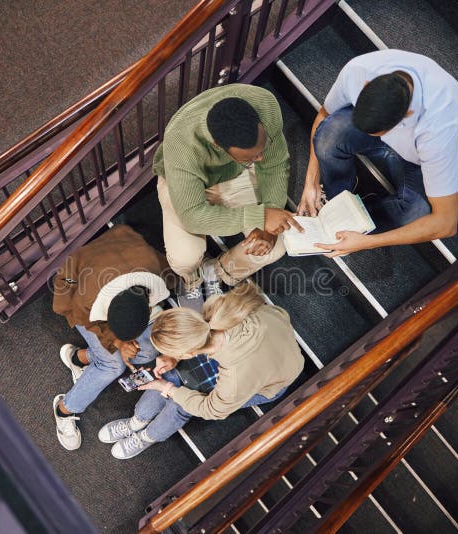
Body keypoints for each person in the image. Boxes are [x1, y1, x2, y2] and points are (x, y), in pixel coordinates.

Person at [97, 284, 304, 459]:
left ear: (191, 353)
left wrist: (168, 388)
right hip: (267, 345)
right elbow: (278, 312)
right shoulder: (223, 313)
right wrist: (174, 358)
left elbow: (211, 409)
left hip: (269, 383)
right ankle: (137, 420)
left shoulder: (234, 380)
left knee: (185, 402)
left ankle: (147, 436)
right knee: (171, 375)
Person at [298, 50, 458, 257]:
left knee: (416, 213)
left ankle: (360, 223)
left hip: (419, 162)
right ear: (367, 85)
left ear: (407, 115)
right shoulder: (358, 70)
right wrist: (311, 181)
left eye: (377, 132)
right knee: (329, 134)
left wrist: (367, 242)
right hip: (395, 130)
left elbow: (446, 223)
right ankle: (336, 200)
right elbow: (325, 114)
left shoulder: (440, 128)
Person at [152, 83, 303, 309]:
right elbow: (193, 216)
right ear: (217, 146)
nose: (261, 158)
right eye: (252, 156)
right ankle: (191, 280)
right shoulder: (182, 144)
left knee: (275, 247)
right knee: (185, 259)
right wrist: (259, 216)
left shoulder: (265, 104)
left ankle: (218, 271)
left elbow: (275, 164)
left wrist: (269, 222)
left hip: (234, 174)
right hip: (184, 187)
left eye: (262, 149)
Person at [50, 224, 173, 450]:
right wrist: (116, 342)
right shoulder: (85, 300)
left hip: (116, 274)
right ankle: (64, 409)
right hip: (73, 284)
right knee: (112, 366)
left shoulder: (158, 270)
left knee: (145, 350)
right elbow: (63, 302)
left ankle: (80, 358)